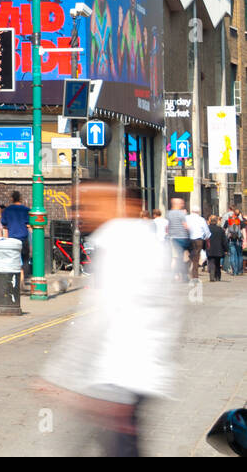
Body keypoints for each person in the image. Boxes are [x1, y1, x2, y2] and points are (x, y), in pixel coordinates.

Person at [41, 184, 183, 457]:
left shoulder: (118, 242)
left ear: (113, 204)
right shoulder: (152, 242)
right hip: (138, 378)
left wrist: (60, 374)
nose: (76, 214)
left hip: (116, 378)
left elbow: (98, 316)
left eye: (85, 206)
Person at [0, 191, 31, 275]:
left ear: (12, 199)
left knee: (12, 260)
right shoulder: (26, 210)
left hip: (11, 239)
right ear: (20, 198)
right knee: (25, 260)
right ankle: (23, 279)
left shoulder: (6, 211)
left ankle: (15, 280)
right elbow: (30, 226)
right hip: (23, 238)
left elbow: (4, 227)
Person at [166, 198, 189, 281]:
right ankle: (184, 276)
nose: (183, 205)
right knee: (185, 258)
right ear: (177, 204)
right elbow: (186, 226)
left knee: (175, 258)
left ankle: (174, 275)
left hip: (173, 238)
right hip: (183, 238)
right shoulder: (181, 213)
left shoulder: (168, 214)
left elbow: (167, 227)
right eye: (181, 203)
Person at [185, 207, 210, 282]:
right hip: (198, 240)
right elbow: (207, 231)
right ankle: (195, 277)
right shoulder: (201, 219)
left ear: (191, 211)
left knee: (187, 256)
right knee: (196, 258)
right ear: (198, 212)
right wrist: (206, 238)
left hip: (187, 239)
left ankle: (184, 273)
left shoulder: (186, 218)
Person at [205, 215, 227, 283]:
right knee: (217, 262)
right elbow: (224, 241)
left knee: (211, 261)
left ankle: (212, 275)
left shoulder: (207, 229)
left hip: (210, 248)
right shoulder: (220, 229)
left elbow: (205, 239)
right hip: (219, 249)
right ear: (217, 221)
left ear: (209, 221)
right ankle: (217, 276)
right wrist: (226, 249)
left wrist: (203, 247)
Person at [227, 210, 244, 276]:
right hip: (238, 240)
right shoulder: (241, 222)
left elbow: (225, 230)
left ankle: (234, 271)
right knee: (239, 255)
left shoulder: (228, 221)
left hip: (231, 240)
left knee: (232, 255)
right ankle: (239, 271)